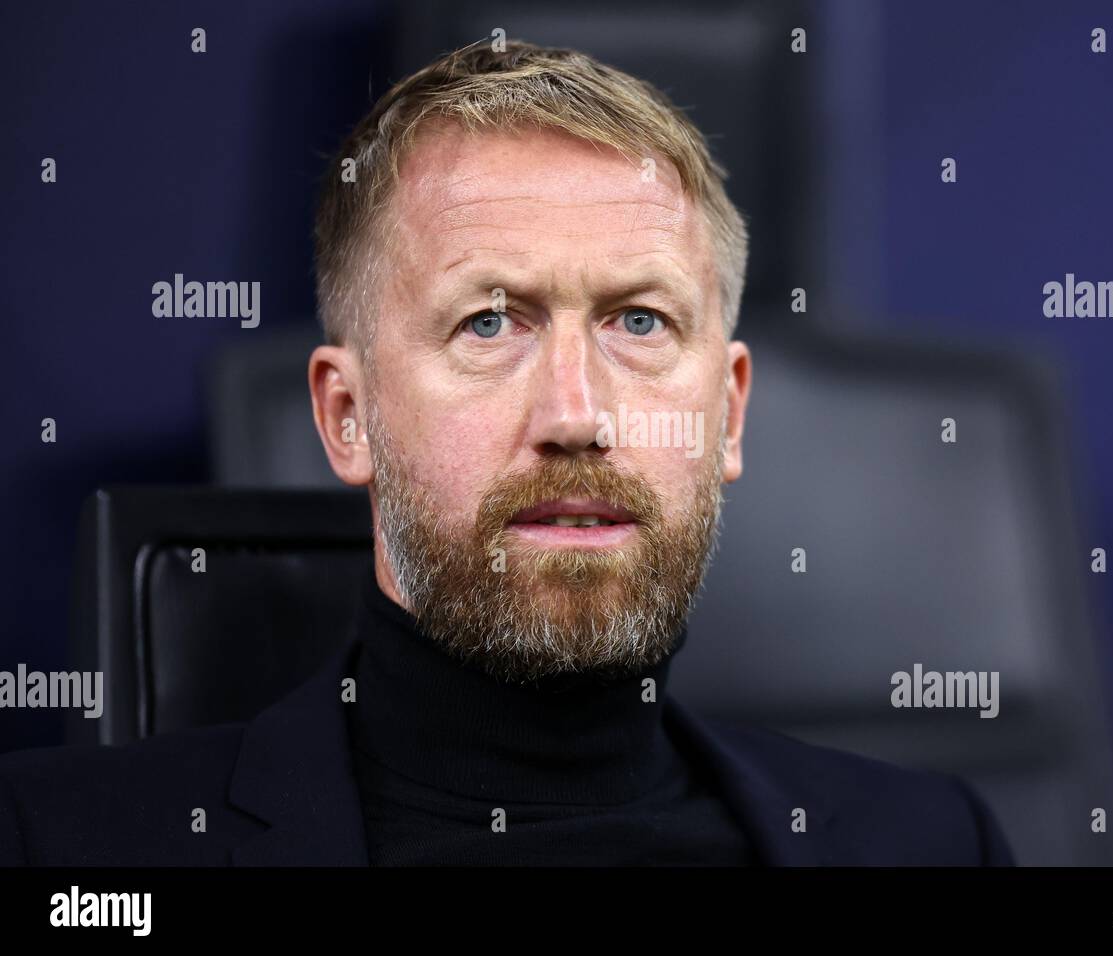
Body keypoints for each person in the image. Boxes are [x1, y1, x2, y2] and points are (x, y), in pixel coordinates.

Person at [0, 40, 1013, 866]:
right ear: (347, 415)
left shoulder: (929, 843)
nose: (575, 413)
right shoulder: (59, 849)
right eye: (489, 323)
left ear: (729, 415)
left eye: (642, 321)